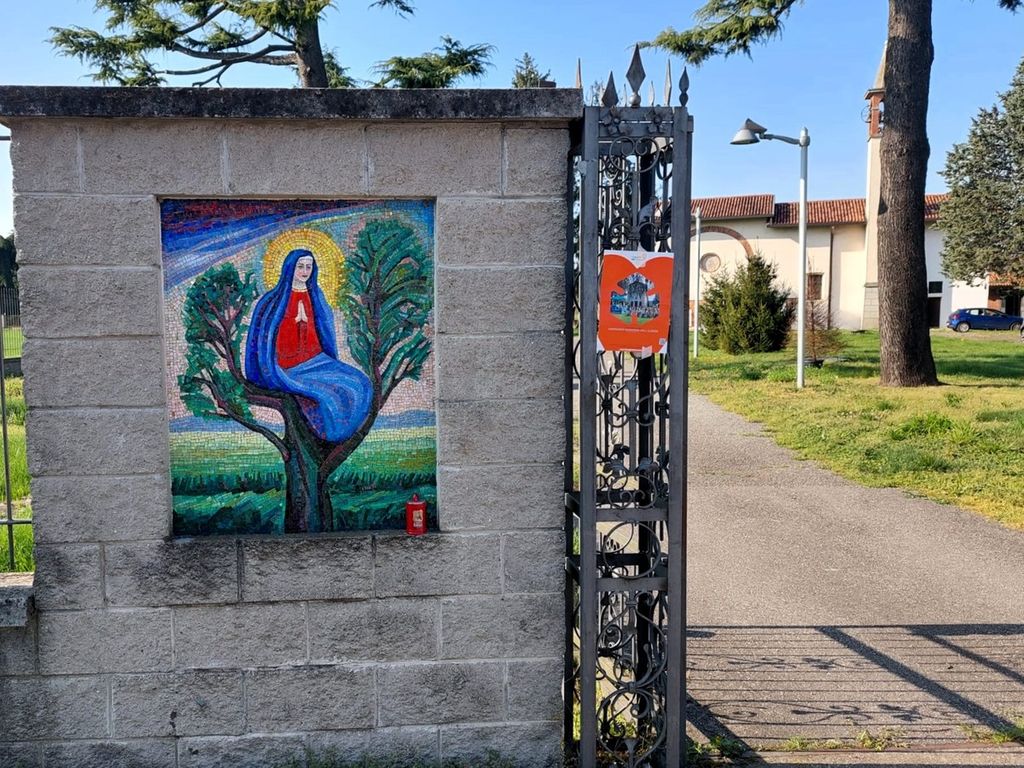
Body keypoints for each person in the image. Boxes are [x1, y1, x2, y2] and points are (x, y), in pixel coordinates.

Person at [245, 248, 373, 443]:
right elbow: (264, 338)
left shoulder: (316, 296)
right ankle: (330, 434)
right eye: (300, 266)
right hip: (287, 367)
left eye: (308, 267)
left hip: (317, 361)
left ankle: (343, 435)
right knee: (327, 395)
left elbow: (322, 331)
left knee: (360, 382)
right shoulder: (273, 300)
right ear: (290, 268)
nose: (305, 271)